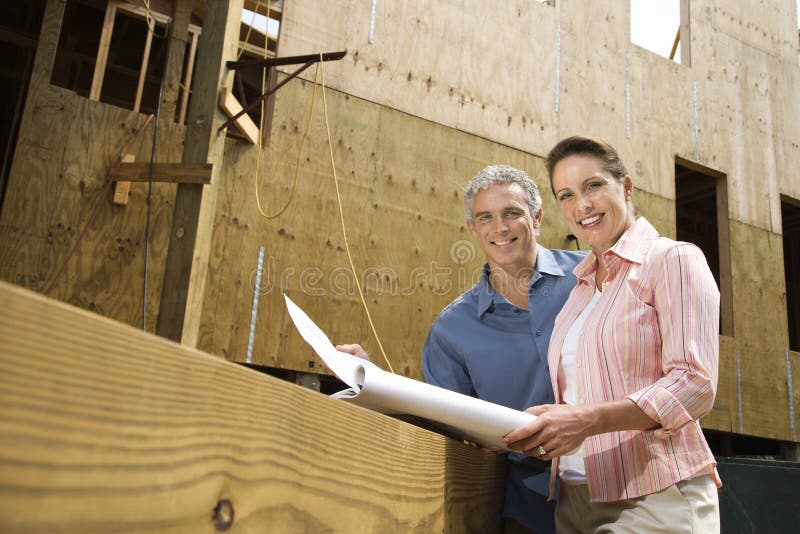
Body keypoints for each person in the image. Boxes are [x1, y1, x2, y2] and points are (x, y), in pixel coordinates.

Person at [339, 164, 586, 534]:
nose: (499, 228)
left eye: (512, 213)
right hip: (531, 511)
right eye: (486, 217)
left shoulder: (594, 277)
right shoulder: (452, 330)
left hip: (623, 494)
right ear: (473, 229)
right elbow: (441, 424)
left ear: (536, 218)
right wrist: (375, 382)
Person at [503, 136, 721, 533]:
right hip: (573, 499)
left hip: (655, 494)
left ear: (627, 185)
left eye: (593, 186)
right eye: (565, 195)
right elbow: (584, 396)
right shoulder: (579, 292)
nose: (581, 206)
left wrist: (584, 421)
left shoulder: (671, 260)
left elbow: (695, 383)